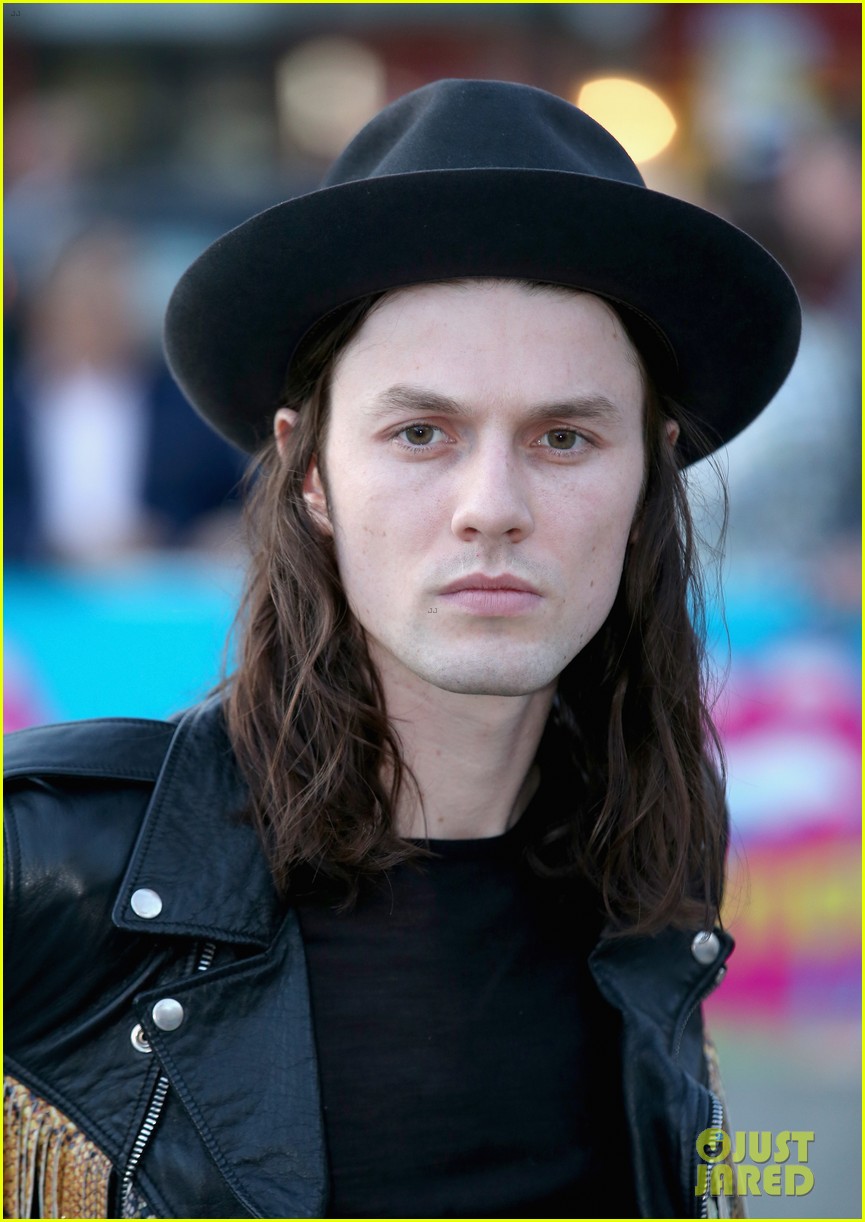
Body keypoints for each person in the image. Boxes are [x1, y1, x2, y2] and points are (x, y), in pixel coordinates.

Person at [4, 79, 800, 1220]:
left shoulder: (652, 862)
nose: (493, 504)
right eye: (421, 432)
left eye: (564, 436)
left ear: (645, 477)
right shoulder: (46, 866)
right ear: (311, 470)